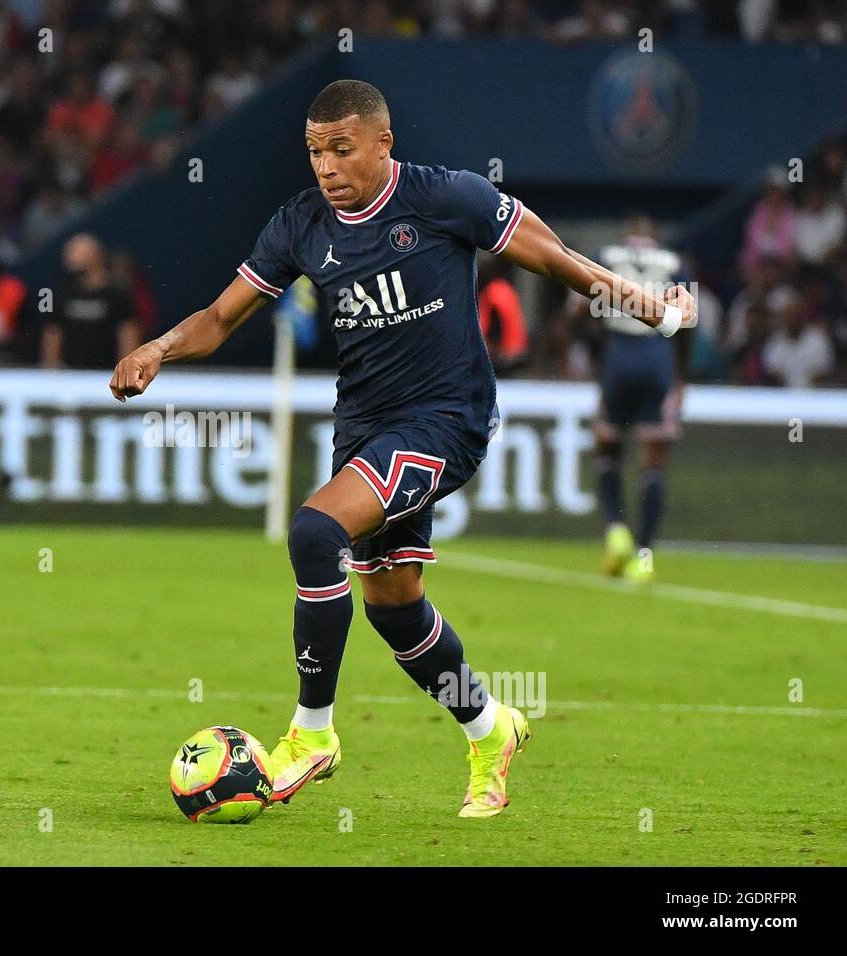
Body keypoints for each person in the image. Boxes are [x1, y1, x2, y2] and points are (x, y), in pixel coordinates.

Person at [109, 80, 695, 818]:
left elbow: (557, 260)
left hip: (446, 421)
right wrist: (159, 348)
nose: (325, 167)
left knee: (313, 532)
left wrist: (656, 311)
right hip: (364, 427)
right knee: (393, 607)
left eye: (341, 149)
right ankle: (491, 730)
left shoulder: (446, 198)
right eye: (315, 152)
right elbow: (223, 316)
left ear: (383, 143)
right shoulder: (299, 226)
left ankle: (311, 733)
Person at [587, 215, 691, 584]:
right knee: (653, 464)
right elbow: (687, 321)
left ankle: (617, 532)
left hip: (619, 355)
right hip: (657, 355)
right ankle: (644, 556)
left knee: (607, 449)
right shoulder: (674, 261)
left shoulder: (607, 254)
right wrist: (681, 376)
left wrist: (600, 360)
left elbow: (583, 312)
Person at [42, 233, 139, 369]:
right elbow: (53, 331)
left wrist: (127, 368)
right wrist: (51, 367)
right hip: (71, 372)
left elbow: (127, 331)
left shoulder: (116, 292)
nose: (69, 257)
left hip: (106, 370)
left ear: (95, 255)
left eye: (75, 252)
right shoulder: (64, 291)